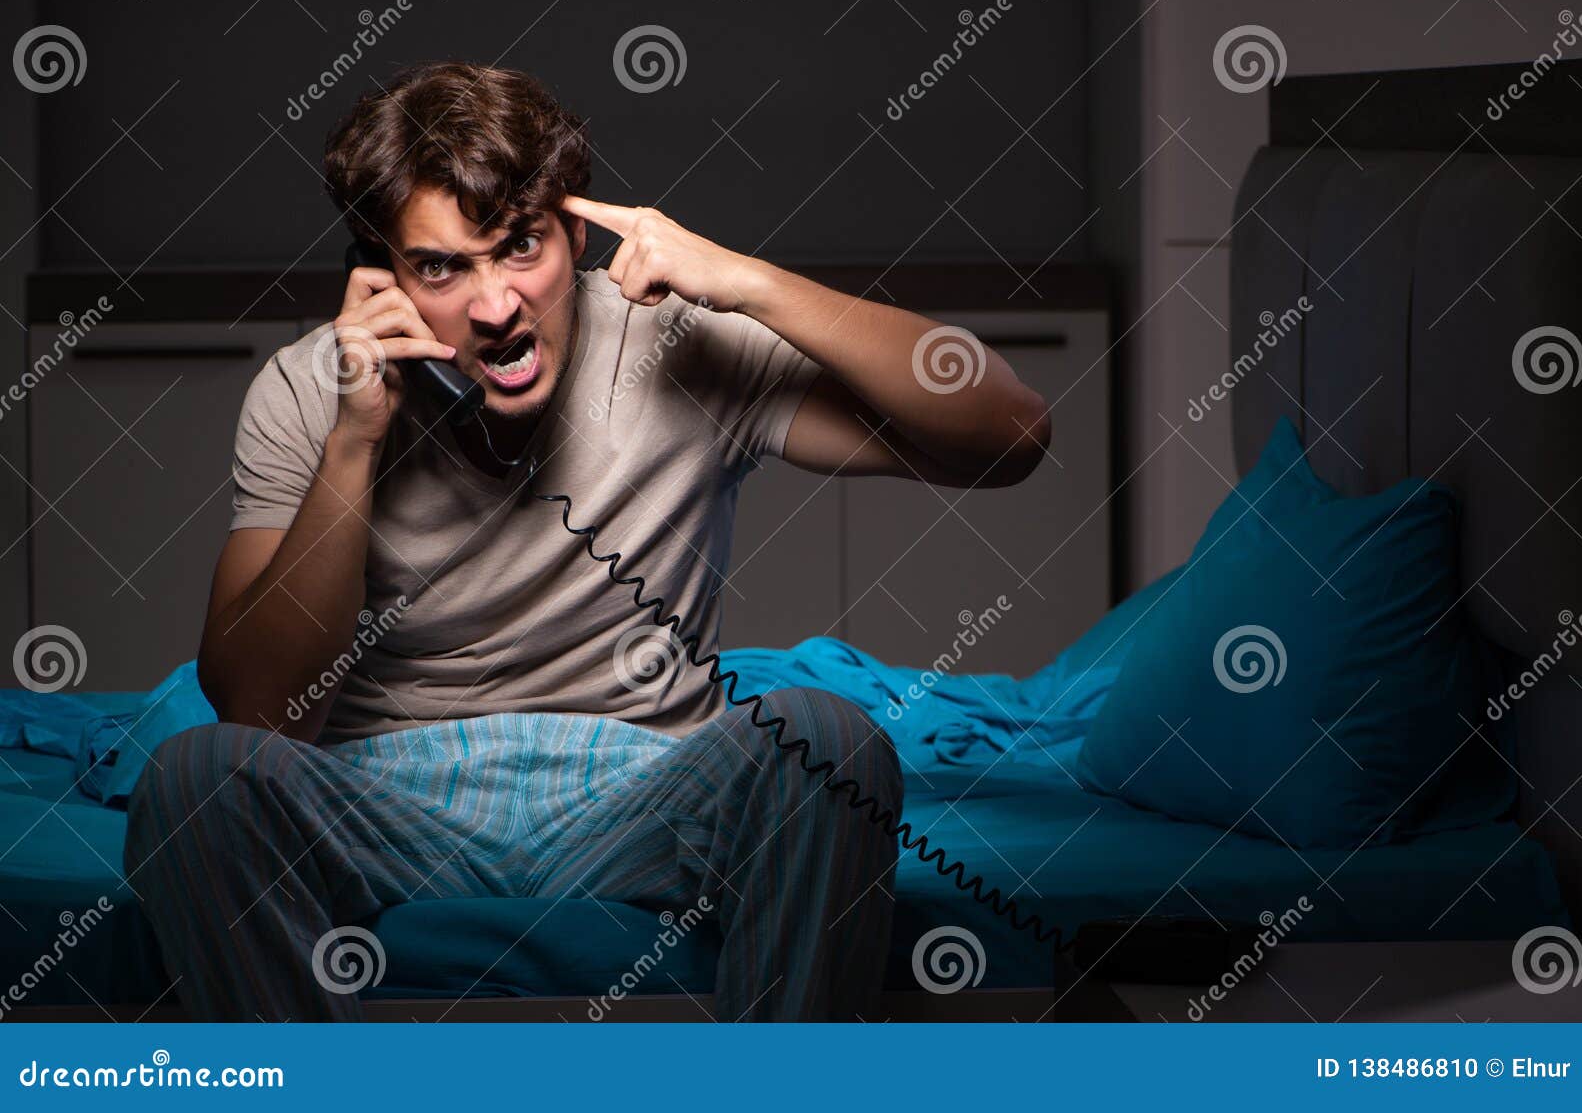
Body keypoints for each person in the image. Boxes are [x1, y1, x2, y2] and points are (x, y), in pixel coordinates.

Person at [122, 60, 1051, 1021]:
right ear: (382, 276)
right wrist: (357, 438)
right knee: (193, 775)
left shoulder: (673, 339)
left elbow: (1010, 436)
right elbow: (258, 712)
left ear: (576, 232)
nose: (492, 308)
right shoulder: (312, 389)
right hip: (385, 802)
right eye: (440, 266)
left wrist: (749, 283)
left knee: (828, 740)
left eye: (520, 246)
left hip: (646, 788)